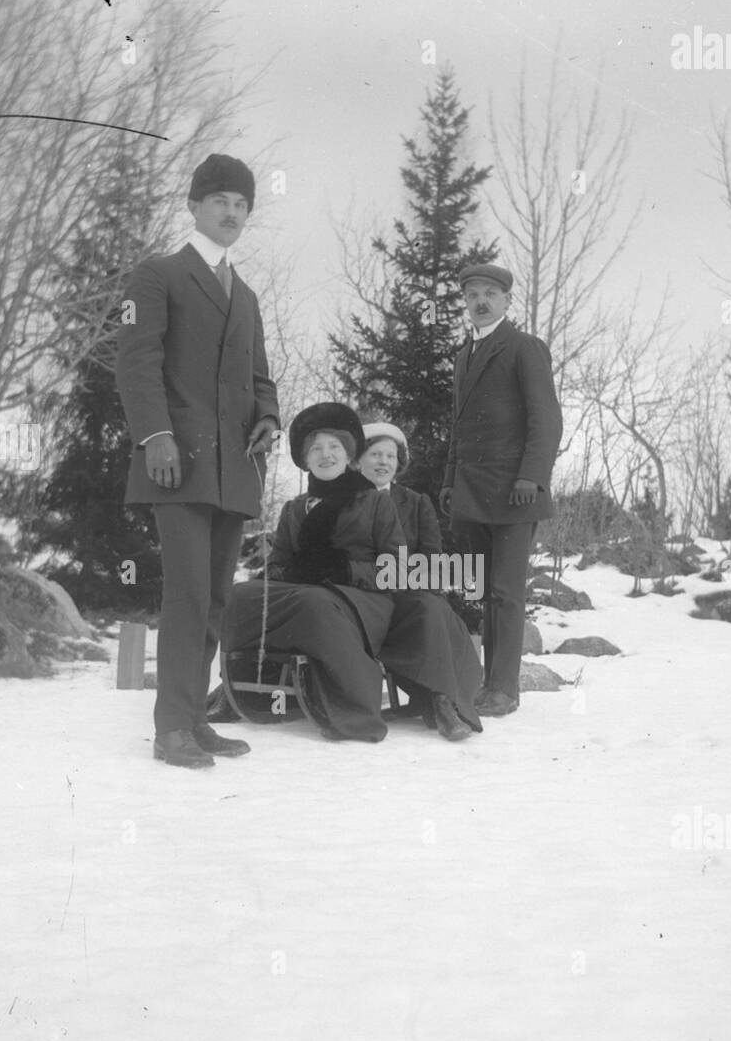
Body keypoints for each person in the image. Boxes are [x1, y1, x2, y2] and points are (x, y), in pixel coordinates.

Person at [116, 153, 280, 768]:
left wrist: (267, 416)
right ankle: (170, 731)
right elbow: (135, 361)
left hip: (233, 469)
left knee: (214, 597)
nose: (232, 213)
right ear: (194, 206)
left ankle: (194, 719)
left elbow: (261, 377)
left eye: (241, 206)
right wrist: (154, 434)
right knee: (185, 594)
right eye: (221, 202)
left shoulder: (248, 295)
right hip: (176, 463)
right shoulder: (157, 275)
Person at [222, 403, 477, 743]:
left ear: (348, 456)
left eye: (334, 448)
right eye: (316, 449)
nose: (325, 455)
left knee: (314, 602)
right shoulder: (294, 508)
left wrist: (342, 568)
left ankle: (352, 706)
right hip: (310, 592)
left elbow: (398, 568)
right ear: (304, 459)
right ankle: (238, 687)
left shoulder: (373, 502)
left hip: (365, 599)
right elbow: (278, 563)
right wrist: (293, 570)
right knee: (241, 595)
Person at [440, 264, 563, 718]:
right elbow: (458, 429)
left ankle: (504, 690)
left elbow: (546, 418)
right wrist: (451, 481)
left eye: (491, 293)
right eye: (473, 294)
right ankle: (489, 685)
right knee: (487, 591)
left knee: (508, 593)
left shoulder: (524, 348)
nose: (481, 301)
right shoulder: (463, 356)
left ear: (508, 301)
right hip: (475, 493)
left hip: (516, 492)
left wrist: (531, 475)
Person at [356, 423, 482, 735]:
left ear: (398, 464)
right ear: (358, 460)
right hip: (359, 594)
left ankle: (443, 703)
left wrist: (404, 581)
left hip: (405, 595)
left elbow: (432, 560)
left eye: (391, 456)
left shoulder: (414, 503)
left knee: (430, 608)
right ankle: (437, 699)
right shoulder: (345, 501)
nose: (383, 462)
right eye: (375, 454)